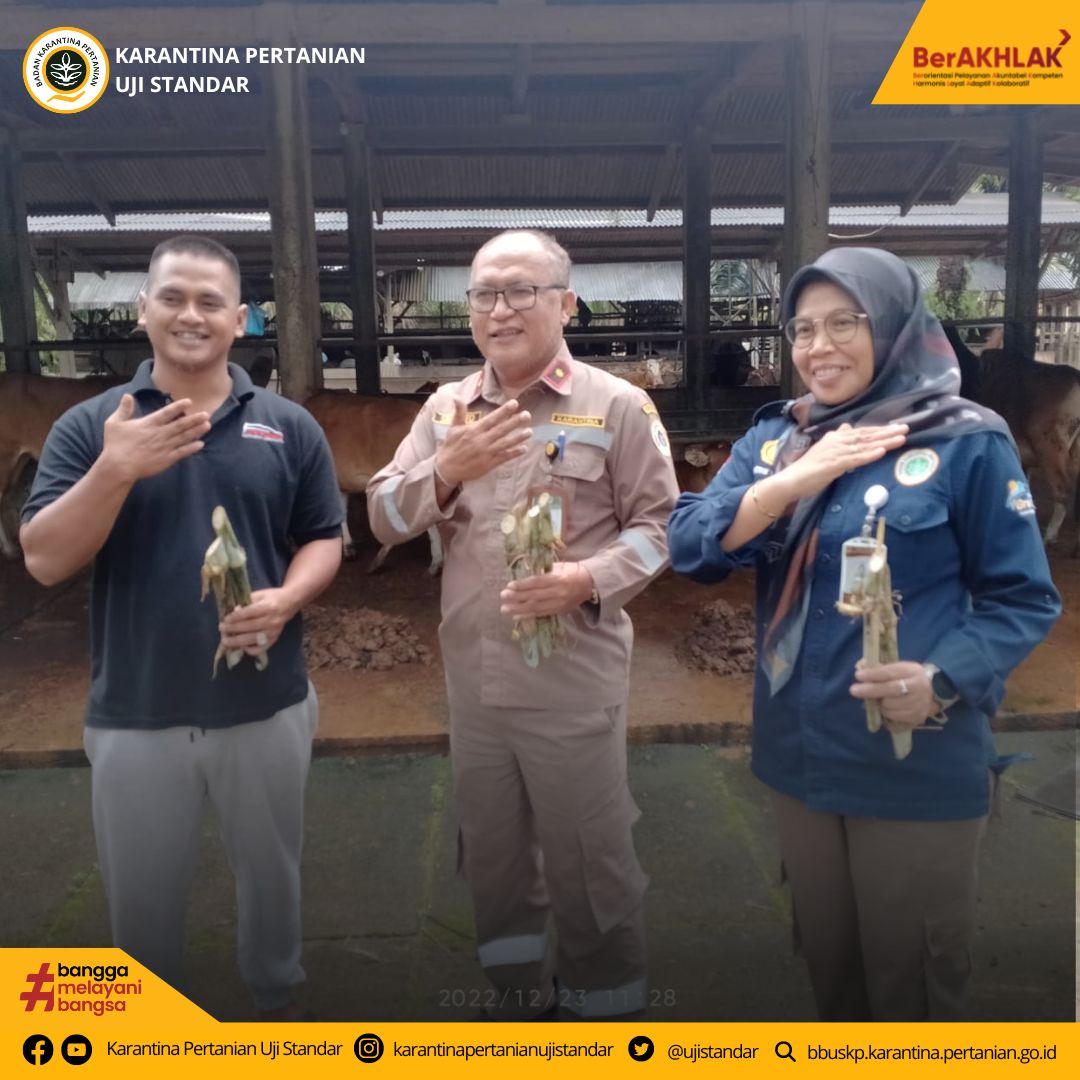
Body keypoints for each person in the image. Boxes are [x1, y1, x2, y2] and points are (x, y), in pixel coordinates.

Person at [667, 246, 1060, 1022]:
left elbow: (1021, 597)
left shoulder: (965, 440)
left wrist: (941, 678)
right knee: (833, 973)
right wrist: (790, 483)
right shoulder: (779, 438)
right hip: (801, 753)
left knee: (911, 979)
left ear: (894, 325)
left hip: (914, 756)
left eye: (844, 322)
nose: (819, 346)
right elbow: (691, 546)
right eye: (802, 329)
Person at [20, 235, 343, 1019]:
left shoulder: (288, 425)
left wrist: (288, 599)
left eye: (209, 302)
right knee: (141, 909)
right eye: (171, 298)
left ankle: (276, 1009)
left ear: (241, 321)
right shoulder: (93, 425)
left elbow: (324, 536)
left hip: (265, 704)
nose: (189, 315)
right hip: (136, 710)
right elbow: (43, 559)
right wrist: (116, 468)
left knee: (273, 884)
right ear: (143, 311)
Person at [367, 229, 678, 1019]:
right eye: (483, 294)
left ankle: (606, 1008)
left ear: (565, 303)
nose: (499, 308)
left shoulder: (616, 407)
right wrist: (445, 471)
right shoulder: (445, 411)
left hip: (571, 686)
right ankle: (515, 997)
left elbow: (660, 528)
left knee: (588, 861)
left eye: (520, 291)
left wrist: (584, 578)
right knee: (496, 862)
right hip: (475, 686)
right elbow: (381, 515)